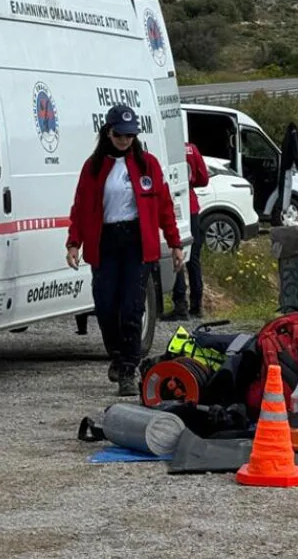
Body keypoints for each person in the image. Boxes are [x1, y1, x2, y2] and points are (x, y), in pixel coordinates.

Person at [66, 104, 184, 396]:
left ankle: (129, 369)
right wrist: (73, 242)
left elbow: (164, 207)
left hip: (136, 242)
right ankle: (118, 356)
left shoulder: (149, 165)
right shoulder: (93, 167)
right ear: (108, 132)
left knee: (132, 308)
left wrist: (175, 243)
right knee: (106, 307)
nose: (124, 140)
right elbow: (81, 207)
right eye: (120, 134)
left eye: (130, 135)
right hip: (105, 241)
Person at [167, 141, 209, 320]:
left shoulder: (165, 146)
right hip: (190, 205)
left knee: (175, 255)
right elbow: (204, 179)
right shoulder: (192, 149)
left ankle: (180, 305)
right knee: (193, 258)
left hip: (171, 207)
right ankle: (196, 305)